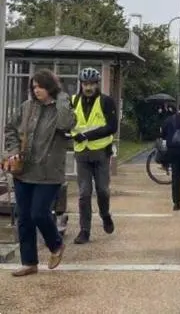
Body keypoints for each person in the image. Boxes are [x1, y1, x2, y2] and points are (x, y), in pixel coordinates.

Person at [2, 69, 74, 276]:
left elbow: (66, 124)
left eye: (41, 86)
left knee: (39, 213)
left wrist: (61, 98)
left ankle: (56, 245)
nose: (37, 90)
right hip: (24, 170)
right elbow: (10, 129)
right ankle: (29, 262)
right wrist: (13, 152)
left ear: (50, 87)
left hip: (49, 171)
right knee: (23, 216)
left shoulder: (62, 107)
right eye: (34, 87)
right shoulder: (26, 107)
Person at [70, 67, 117, 245]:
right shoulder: (73, 101)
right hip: (82, 153)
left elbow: (112, 127)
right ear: (80, 84)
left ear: (97, 84)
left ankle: (105, 215)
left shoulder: (106, 102)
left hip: (101, 152)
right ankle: (84, 230)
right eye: (85, 84)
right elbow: (67, 123)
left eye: (91, 84)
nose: (88, 87)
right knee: (84, 193)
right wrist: (71, 134)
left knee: (103, 190)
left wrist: (87, 135)